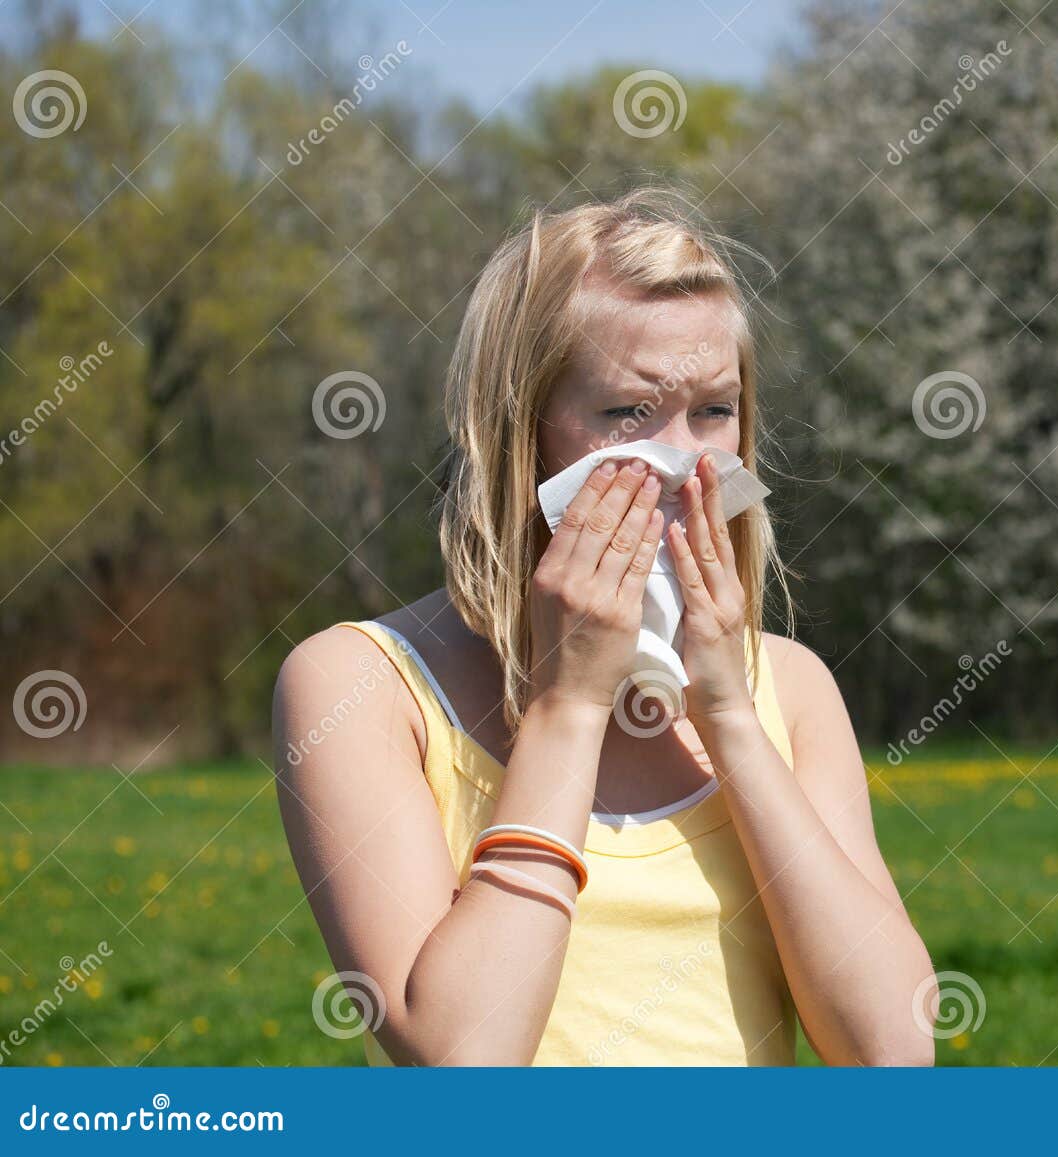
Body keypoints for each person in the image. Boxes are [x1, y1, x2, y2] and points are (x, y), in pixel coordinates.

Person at [272, 189, 936, 1066]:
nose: (681, 463)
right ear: (519, 430)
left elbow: (892, 1047)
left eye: (713, 411)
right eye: (628, 413)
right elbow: (460, 1060)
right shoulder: (359, 685)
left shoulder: (790, 686)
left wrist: (730, 715)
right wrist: (569, 704)